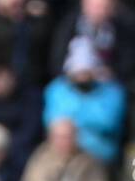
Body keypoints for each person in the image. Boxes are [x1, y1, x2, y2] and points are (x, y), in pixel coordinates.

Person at [42, 36, 127, 166]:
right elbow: (52, 121)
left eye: (86, 73)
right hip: (60, 150)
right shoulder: (56, 88)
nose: (82, 77)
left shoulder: (112, 91)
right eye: (78, 73)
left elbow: (107, 123)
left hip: (98, 153)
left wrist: (72, 123)